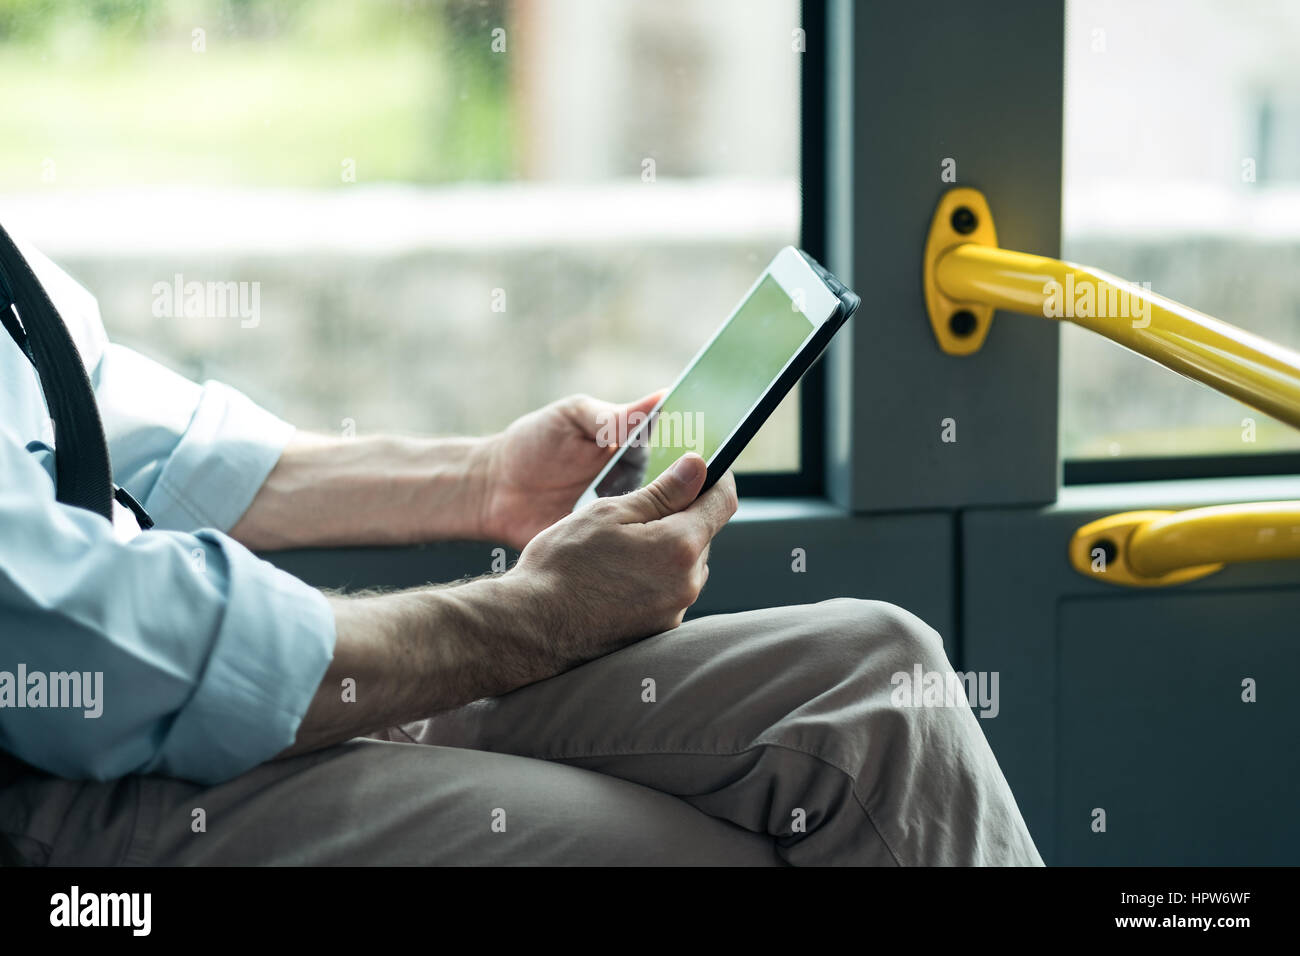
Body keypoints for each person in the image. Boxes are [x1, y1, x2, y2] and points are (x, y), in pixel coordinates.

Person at [0, 235, 1043, 866]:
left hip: (200, 681)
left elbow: (137, 435)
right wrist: (535, 613)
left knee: (876, 674)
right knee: (709, 856)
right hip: (66, 775)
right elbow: (88, 651)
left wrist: (486, 478)